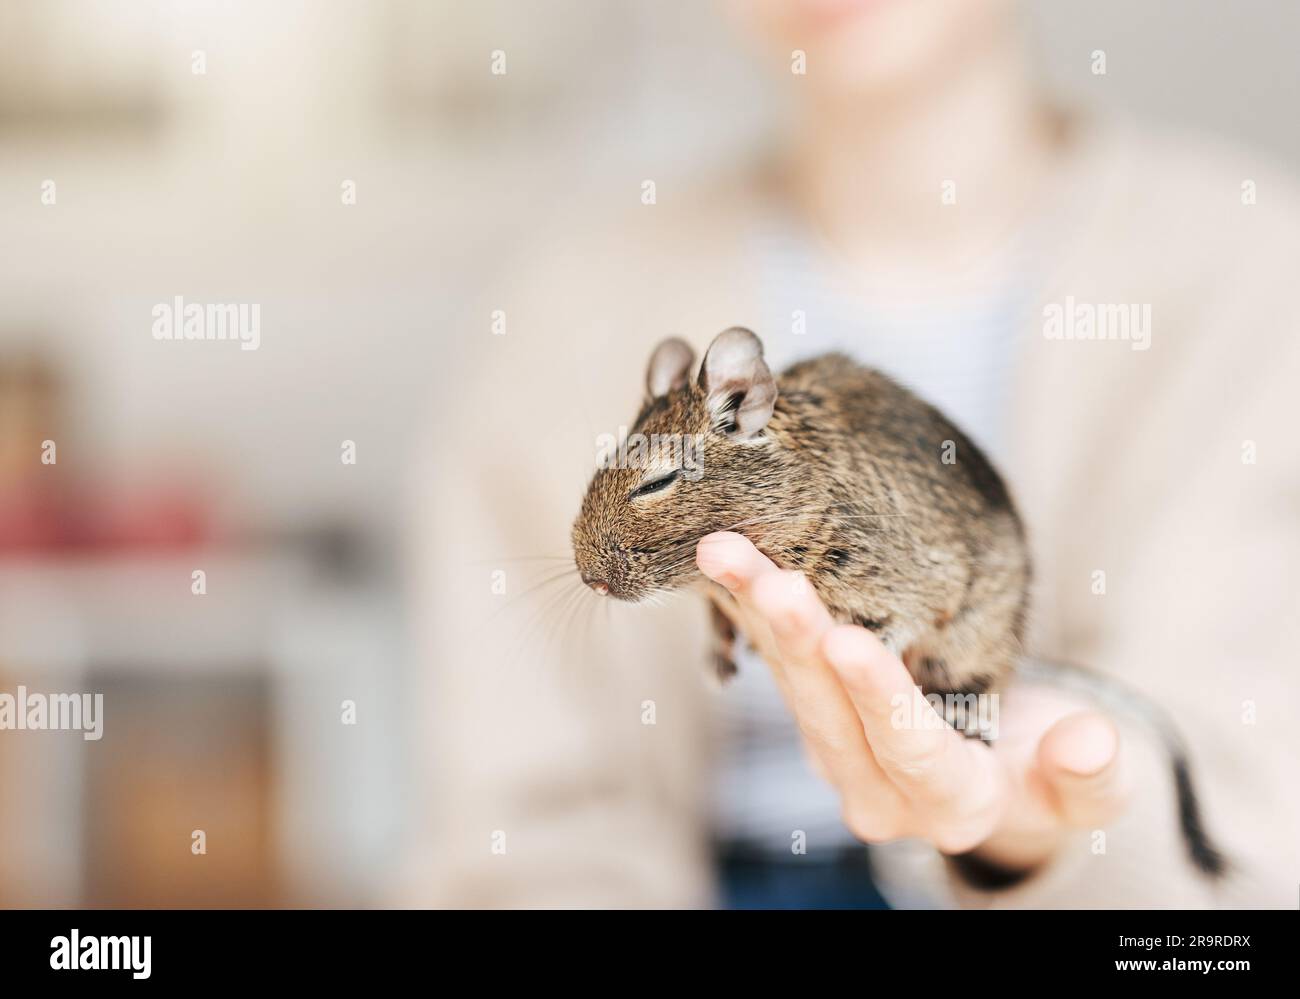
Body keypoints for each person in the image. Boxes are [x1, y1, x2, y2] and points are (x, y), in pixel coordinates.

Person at [403, 0, 1300, 907]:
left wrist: (1032, 838)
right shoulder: (561, 304)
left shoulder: (1254, 268)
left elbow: (1242, 829)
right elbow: (524, 833)